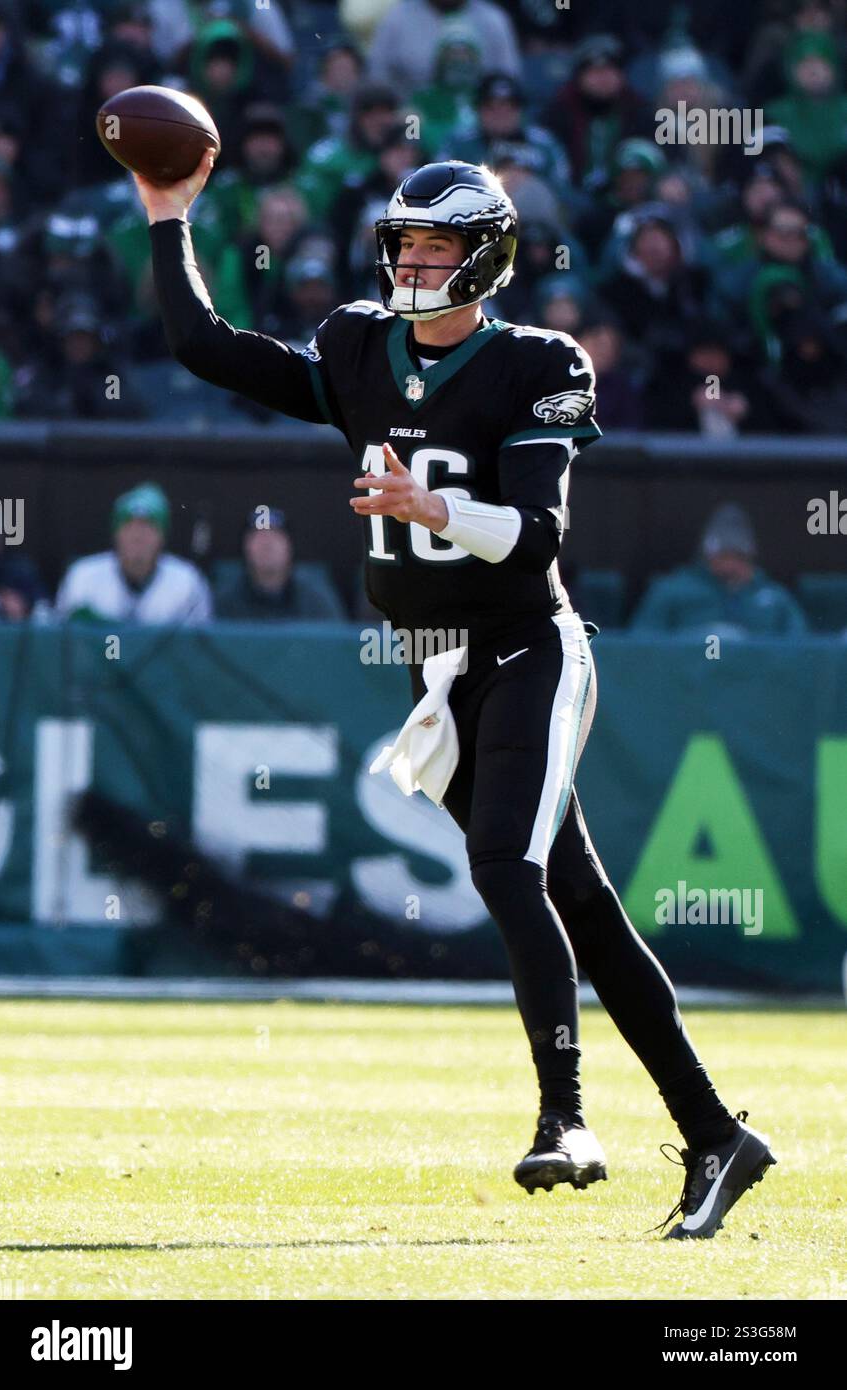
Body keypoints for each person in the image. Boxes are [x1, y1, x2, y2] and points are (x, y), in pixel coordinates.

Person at [136, 151, 776, 1239]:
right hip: (438, 667)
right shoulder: (355, 345)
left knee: (502, 867)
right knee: (582, 909)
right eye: (404, 242)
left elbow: (536, 536)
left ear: (483, 254)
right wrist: (167, 215)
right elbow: (204, 345)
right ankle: (716, 1135)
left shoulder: (535, 360)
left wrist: (431, 516)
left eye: (434, 244)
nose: (413, 259)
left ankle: (564, 1118)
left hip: (531, 644)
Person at [632, 504, 807, 639]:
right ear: (706, 557)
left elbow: (802, 646)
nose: (730, 565)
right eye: (723, 556)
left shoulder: (774, 597)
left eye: (738, 557)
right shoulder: (671, 590)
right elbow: (643, 645)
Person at [56, 482, 212, 624]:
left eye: (147, 527)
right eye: (129, 526)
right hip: (102, 655)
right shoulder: (83, 577)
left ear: (163, 537)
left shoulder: (187, 581)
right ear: (116, 533)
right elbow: (62, 643)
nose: (137, 536)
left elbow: (197, 649)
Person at [213, 508, 347, 621]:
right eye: (259, 536)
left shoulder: (316, 600)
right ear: (246, 546)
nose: (267, 544)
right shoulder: (226, 601)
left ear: (289, 546)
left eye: (275, 535)